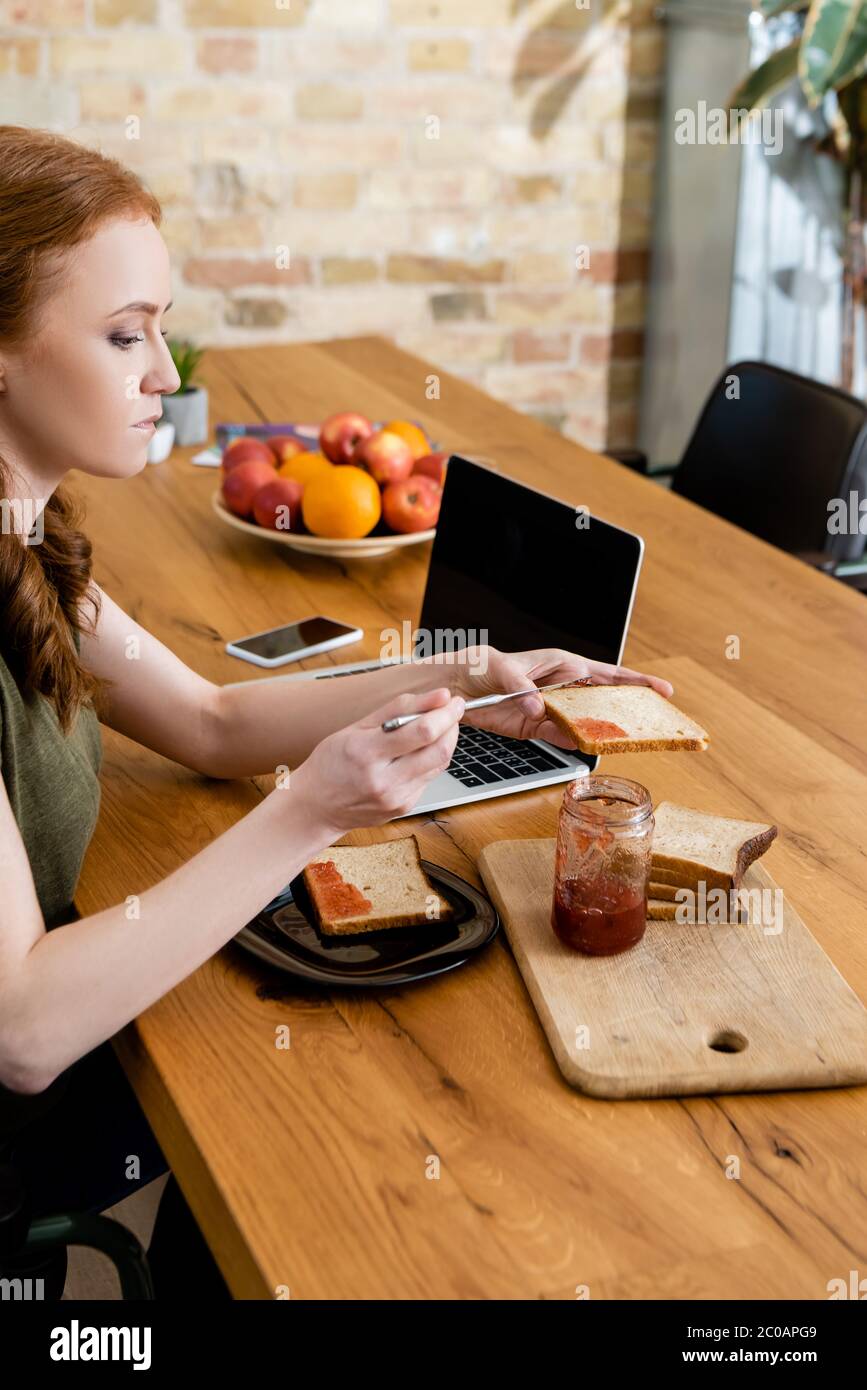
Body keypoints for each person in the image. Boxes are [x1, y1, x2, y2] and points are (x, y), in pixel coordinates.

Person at [0, 125, 674, 1300]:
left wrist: (477, 671)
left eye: (160, 327)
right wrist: (311, 815)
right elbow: (24, 1030)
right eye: (125, 335)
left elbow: (208, 719)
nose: (166, 374)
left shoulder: (29, 543)